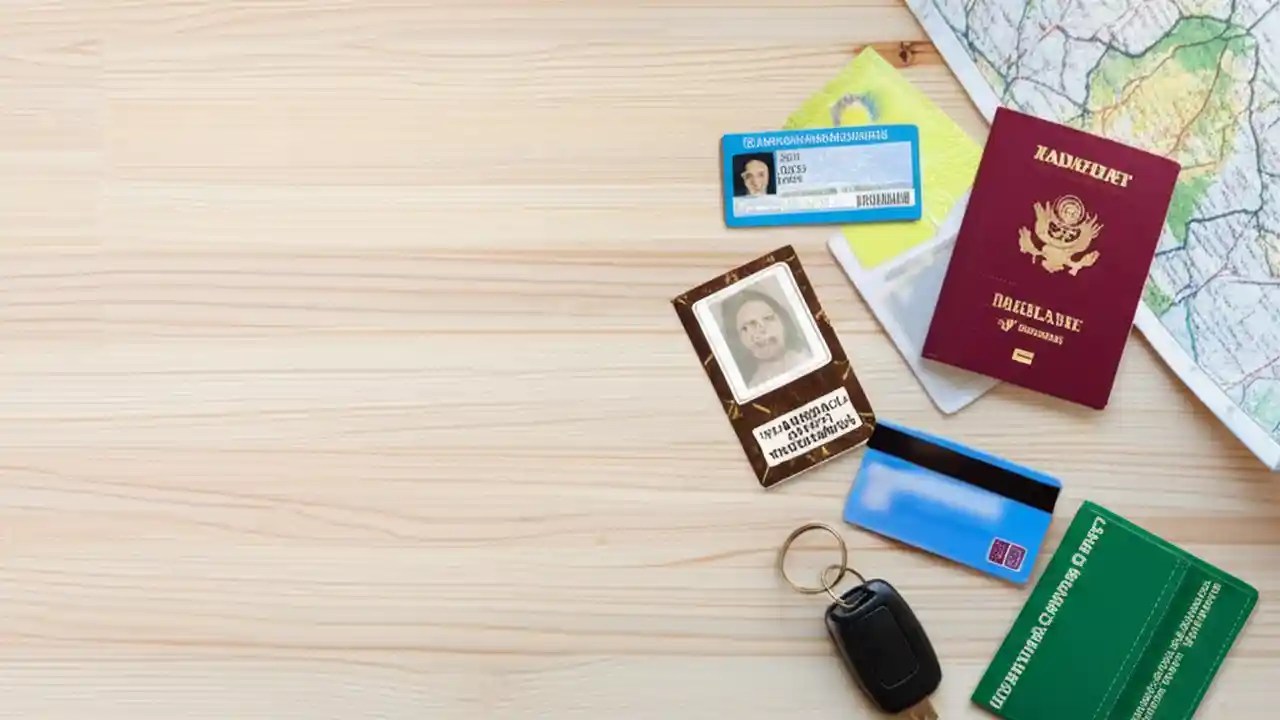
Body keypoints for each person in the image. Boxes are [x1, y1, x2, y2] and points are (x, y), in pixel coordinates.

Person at [720, 288, 810, 388]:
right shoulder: (752, 388)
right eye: (747, 327)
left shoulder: (808, 357)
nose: (761, 329)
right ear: (738, 340)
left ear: (783, 321)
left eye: (768, 318)